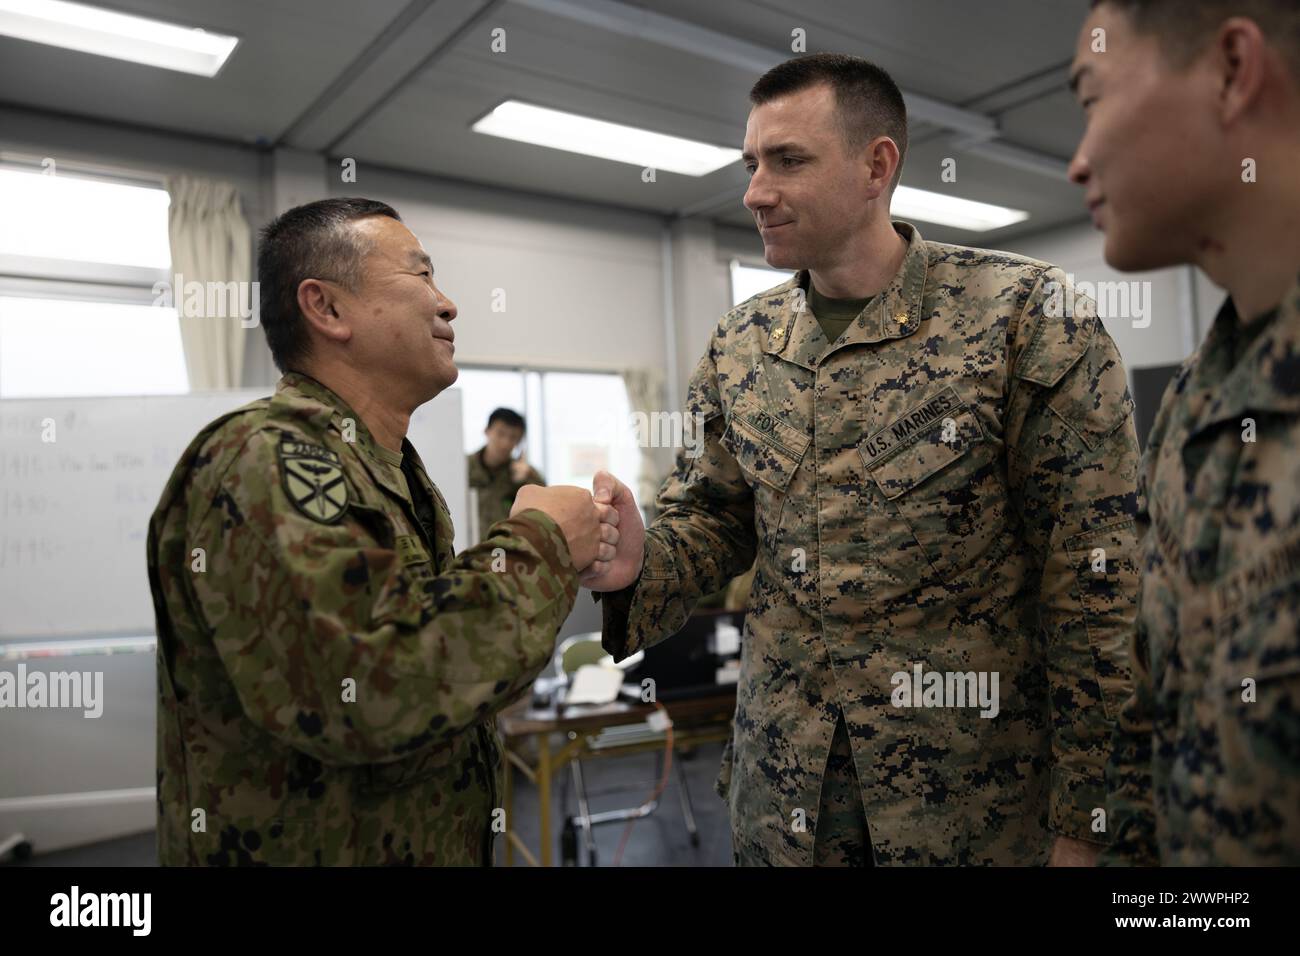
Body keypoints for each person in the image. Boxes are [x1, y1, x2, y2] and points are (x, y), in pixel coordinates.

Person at [582, 53, 1140, 866]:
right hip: (787, 802)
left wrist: (1091, 818)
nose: (755, 192)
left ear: (877, 165)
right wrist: (640, 559)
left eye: (788, 160)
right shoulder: (743, 344)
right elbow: (712, 519)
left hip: (975, 808)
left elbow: (1093, 581)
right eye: (750, 164)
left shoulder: (1024, 317)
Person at [147, 197, 618, 865]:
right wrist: (539, 541)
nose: (448, 303)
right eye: (421, 277)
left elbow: (434, 646)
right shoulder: (265, 460)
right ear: (327, 308)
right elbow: (368, 689)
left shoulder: (387, 470)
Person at [1067, 0, 1300, 865]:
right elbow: (1151, 708)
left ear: (1232, 71)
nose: (1076, 161)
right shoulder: (1195, 407)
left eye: (1092, 100)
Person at [467, 408, 545, 542]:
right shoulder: (463, 468)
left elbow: (544, 511)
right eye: (500, 433)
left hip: (506, 550)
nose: (505, 443)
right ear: (487, 431)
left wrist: (526, 480)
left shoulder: (526, 473)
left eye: (513, 437)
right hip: (465, 547)